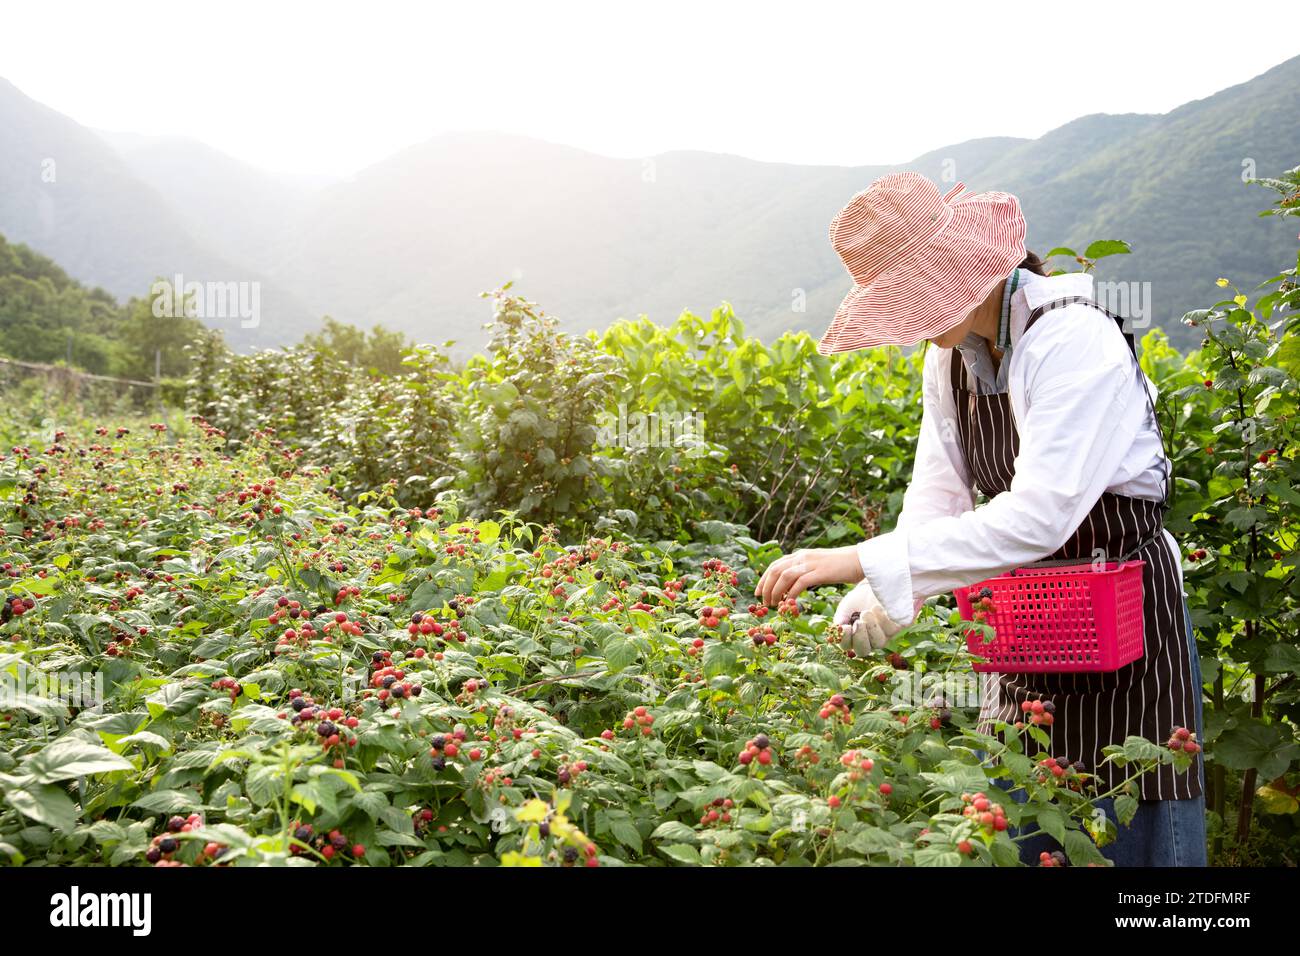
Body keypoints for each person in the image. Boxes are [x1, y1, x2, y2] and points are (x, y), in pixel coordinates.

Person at [754, 172, 1206, 866]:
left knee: (1131, 824)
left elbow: (1039, 518)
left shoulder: (1071, 339)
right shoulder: (952, 363)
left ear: (962, 274)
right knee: (1021, 819)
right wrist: (875, 601)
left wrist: (858, 557)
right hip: (1027, 629)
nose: (913, 324)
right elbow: (937, 500)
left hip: (1126, 635)